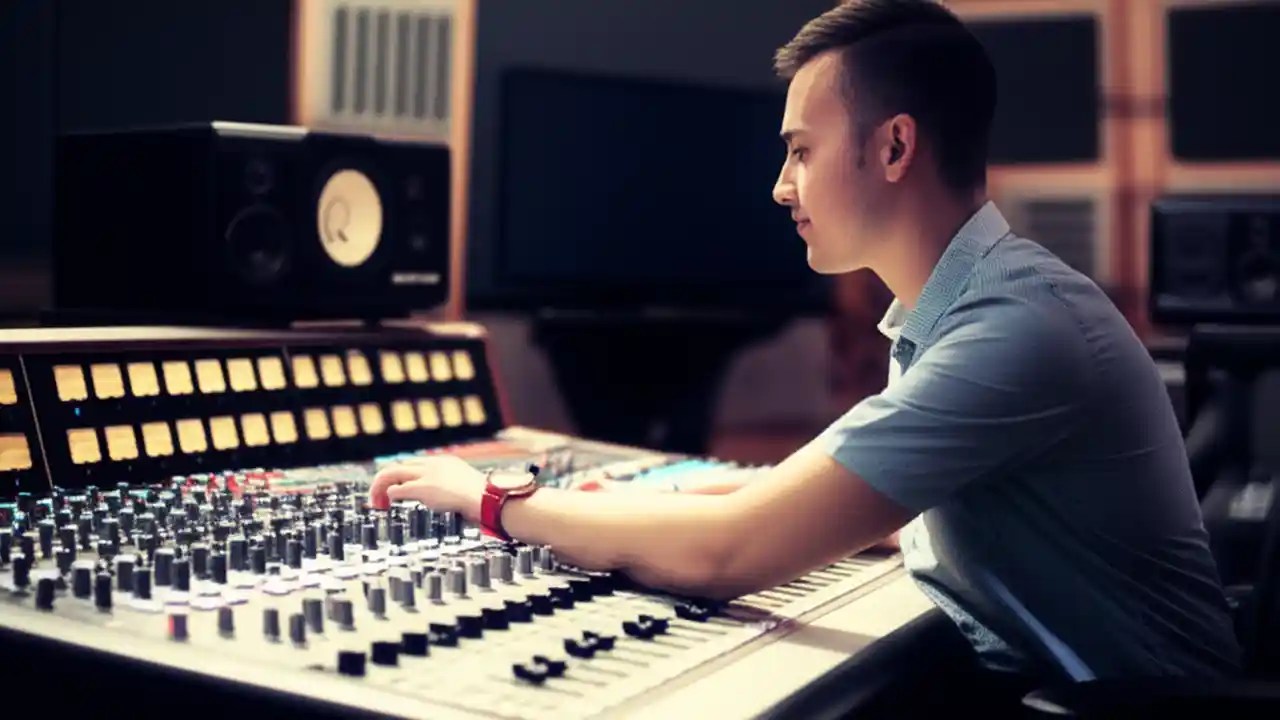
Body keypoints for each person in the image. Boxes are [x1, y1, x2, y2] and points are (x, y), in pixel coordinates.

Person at [371, 0, 1241, 712]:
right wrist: (665, 488)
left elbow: (729, 554)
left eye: (800, 150)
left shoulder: (1015, 331)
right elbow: (874, 502)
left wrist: (493, 502)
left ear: (895, 146)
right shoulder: (974, 305)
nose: (781, 186)